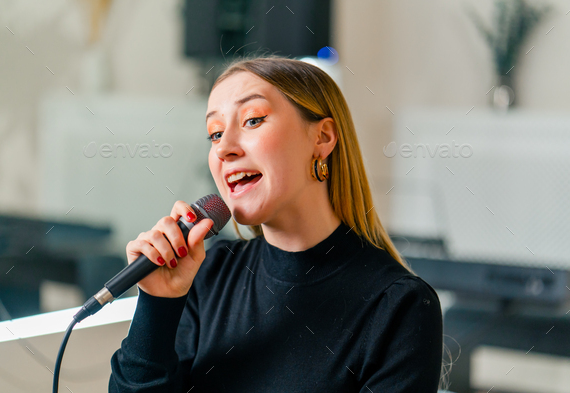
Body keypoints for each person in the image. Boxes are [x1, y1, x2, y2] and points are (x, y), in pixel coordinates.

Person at [109, 55, 446, 392]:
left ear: (323, 138)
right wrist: (157, 304)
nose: (224, 148)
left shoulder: (399, 307)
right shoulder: (209, 275)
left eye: (253, 120)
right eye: (214, 134)